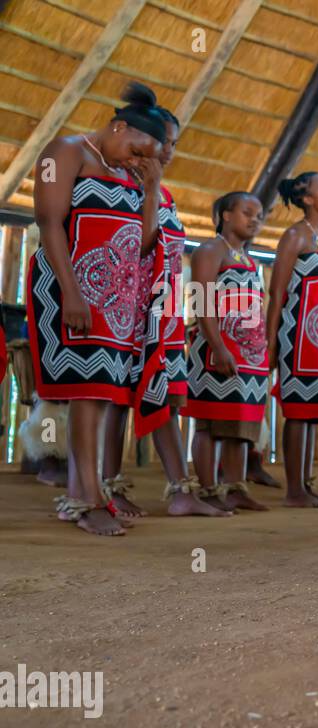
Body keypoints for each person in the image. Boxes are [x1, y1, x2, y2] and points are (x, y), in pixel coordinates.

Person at [26, 83, 168, 535]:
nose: (138, 159)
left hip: (116, 299)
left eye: (149, 157)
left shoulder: (130, 174)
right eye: (136, 149)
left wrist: (151, 188)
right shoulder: (64, 150)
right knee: (87, 391)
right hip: (71, 288)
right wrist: (71, 293)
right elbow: (48, 223)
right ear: (118, 125)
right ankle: (83, 498)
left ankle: (91, 490)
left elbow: (142, 244)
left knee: (105, 394)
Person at [101, 107, 227, 519]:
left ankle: (180, 490)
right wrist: (151, 189)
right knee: (119, 397)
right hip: (128, 308)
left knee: (168, 394)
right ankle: (108, 487)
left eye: (173, 143)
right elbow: (139, 243)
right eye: (163, 141)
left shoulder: (165, 192)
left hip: (165, 308)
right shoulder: (118, 183)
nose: (167, 150)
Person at [183, 190, 270, 511]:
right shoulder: (210, 251)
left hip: (249, 355)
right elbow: (202, 301)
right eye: (248, 212)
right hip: (216, 350)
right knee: (210, 421)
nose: (255, 220)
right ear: (226, 215)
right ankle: (208, 490)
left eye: (259, 215)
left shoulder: (249, 260)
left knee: (240, 425)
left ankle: (235, 487)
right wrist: (218, 347)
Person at [265, 171, 318, 507]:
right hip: (296, 335)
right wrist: (270, 343)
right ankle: (294, 490)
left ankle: (306, 483)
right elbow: (278, 290)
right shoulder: (295, 235)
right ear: (308, 199)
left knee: (314, 410)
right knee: (298, 410)